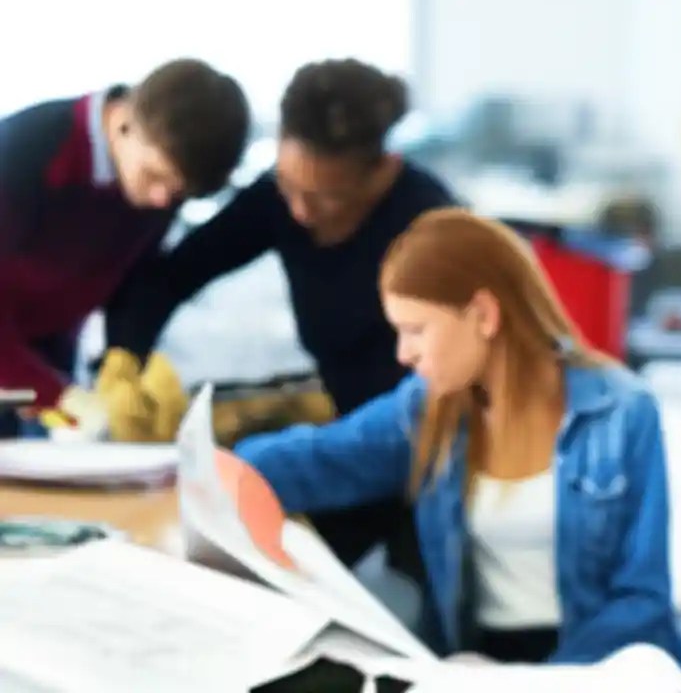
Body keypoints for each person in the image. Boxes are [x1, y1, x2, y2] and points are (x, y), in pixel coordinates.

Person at [228, 209, 681, 672]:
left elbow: (641, 600)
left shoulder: (623, 413)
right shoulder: (427, 408)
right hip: (478, 668)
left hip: (601, 670)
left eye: (416, 330)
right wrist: (219, 469)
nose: (403, 354)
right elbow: (320, 460)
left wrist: (536, 685)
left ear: (483, 315)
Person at [102, 59, 455, 571]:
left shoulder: (433, 226)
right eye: (289, 186)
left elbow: (440, 395)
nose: (300, 212)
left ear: (384, 171)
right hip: (341, 440)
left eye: (325, 198)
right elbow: (168, 278)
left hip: (420, 447)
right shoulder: (280, 201)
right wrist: (124, 356)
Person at [0, 59, 249, 438]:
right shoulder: (24, 153)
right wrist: (55, 395)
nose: (161, 200)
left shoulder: (162, 186)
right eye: (155, 176)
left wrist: (125, 355)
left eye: (178, 193)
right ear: (123, 124)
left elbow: (133, 275)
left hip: (49, 345)